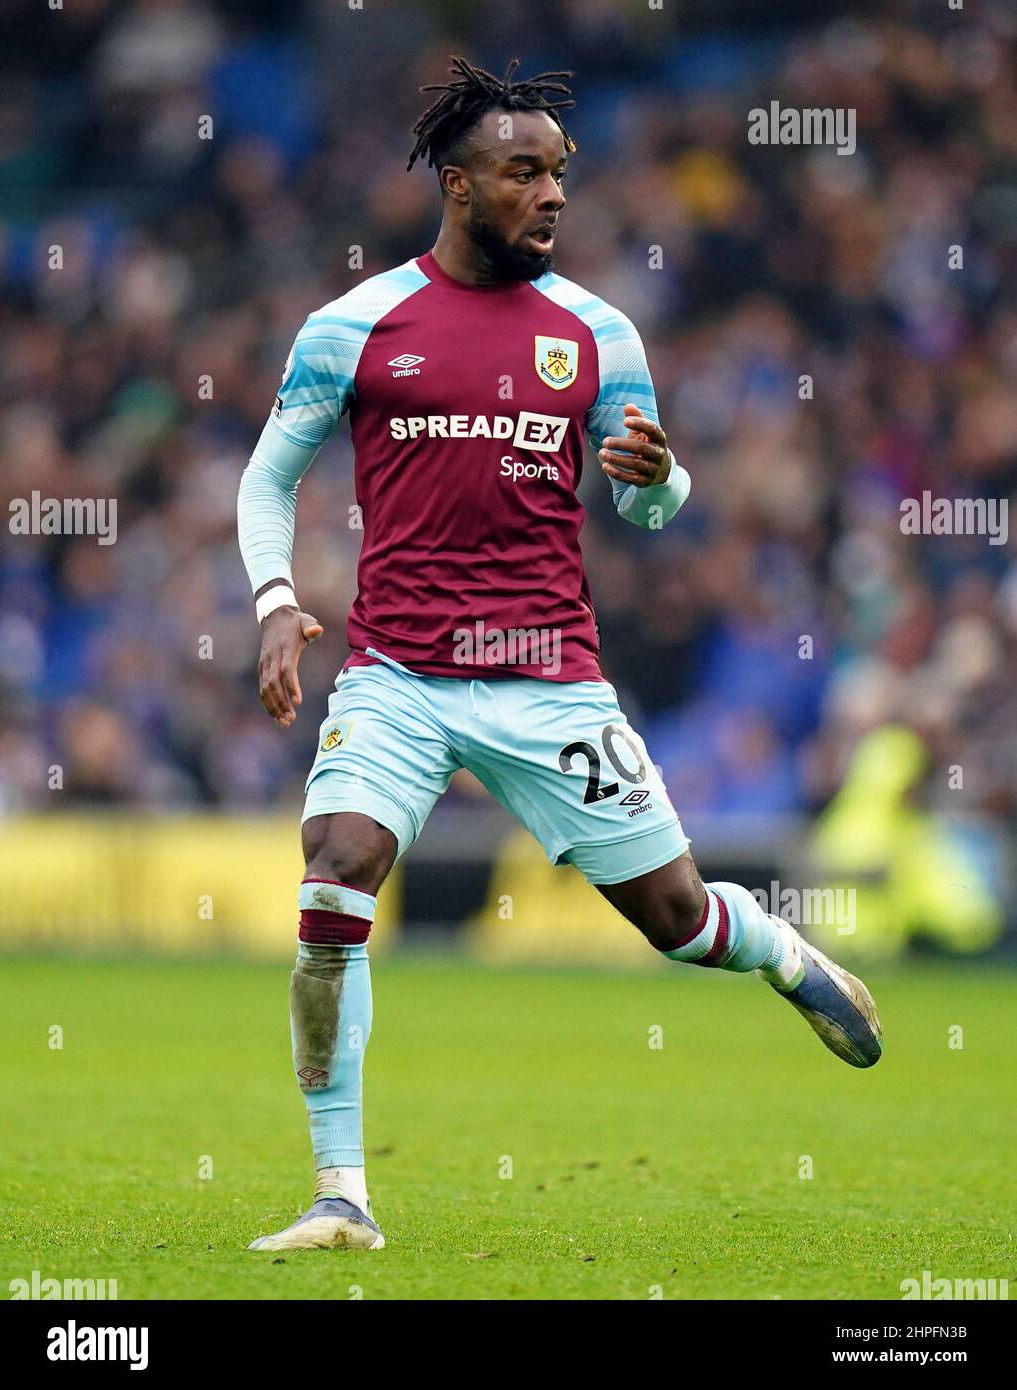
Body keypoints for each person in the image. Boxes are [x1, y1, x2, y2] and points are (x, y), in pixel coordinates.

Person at [236, 57, 881, 1254]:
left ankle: (782, 951)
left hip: (550, 678)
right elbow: (271, 476)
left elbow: (652, 507)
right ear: (460, 182)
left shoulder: (597, 333)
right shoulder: (356, 326)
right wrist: (276, 600)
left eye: (559, 176)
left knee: (680, 921)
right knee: (334, 874)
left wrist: (660, 478)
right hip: (398, 675)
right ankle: (342, 1194)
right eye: (524, 173)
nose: (551, 196)